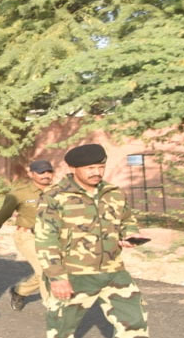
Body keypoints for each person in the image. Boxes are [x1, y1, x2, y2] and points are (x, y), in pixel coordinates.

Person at [35, 144, 149, 338]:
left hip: (114, 271)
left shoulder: (114, 192)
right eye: (90, 168)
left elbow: (127, 220)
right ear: (73, 169)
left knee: (135, 323)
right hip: (74, 273)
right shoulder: (55, 196)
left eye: (100, 167)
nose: (97, 172)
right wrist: (57, 277)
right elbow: (46, 239)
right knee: (61, 331)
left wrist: (129, 234)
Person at [0, 159, 55, 310]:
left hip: (51, 237)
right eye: (41, 172)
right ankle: (53, 308)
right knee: (45, 271)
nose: (46, 175)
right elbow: (1, 216)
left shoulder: (58, 192)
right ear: (31, 174)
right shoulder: (19, 194)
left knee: (51, 271)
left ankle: (20, 291)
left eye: (49, 171)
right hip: (27, 236)